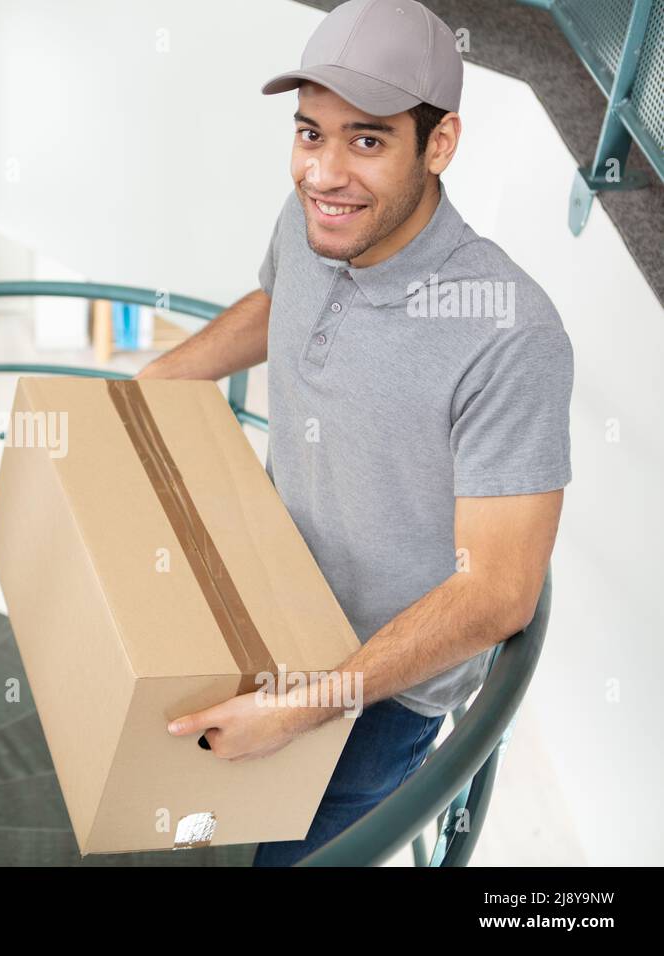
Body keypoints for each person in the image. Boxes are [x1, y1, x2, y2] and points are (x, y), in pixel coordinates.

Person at [139, 0, 573, 865]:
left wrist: (308, 704)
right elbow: (276, 305)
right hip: (268, 604)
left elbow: (497, 596)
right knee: (190, 821)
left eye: (367, 140)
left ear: (439, 144)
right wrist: (163, 377)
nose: (325, 172)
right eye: (310, 133)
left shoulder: (511, 333)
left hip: (380, 697)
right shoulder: (313, 223)